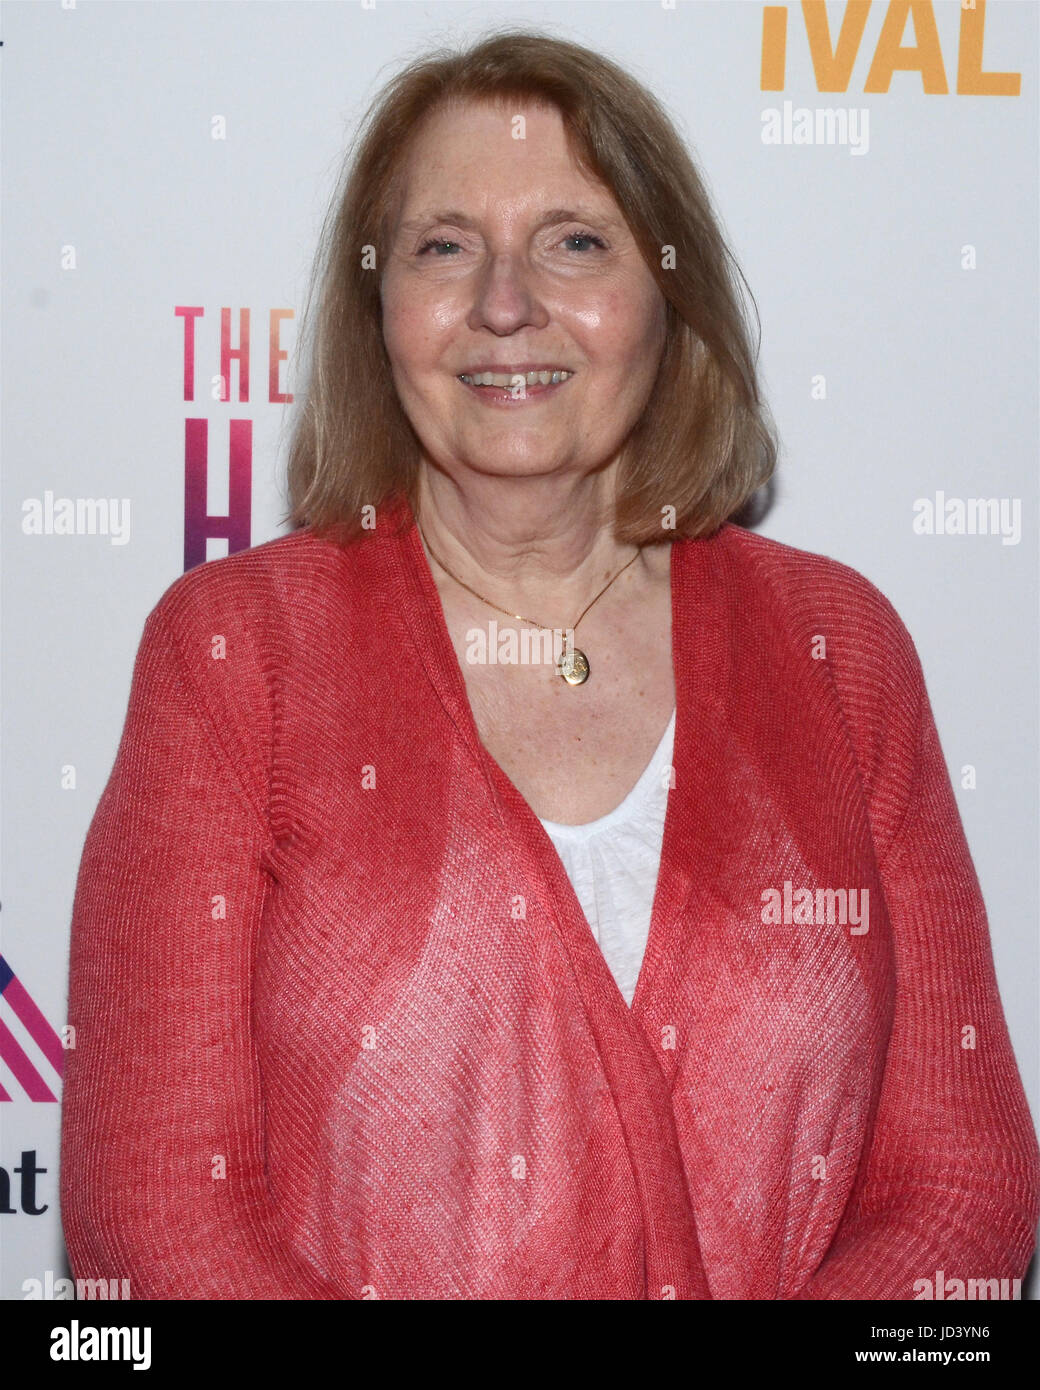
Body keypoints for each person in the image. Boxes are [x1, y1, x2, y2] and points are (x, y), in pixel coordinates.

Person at [60, 29, 1039, 1300]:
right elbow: (153, 1226)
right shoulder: (235, 658)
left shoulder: (834, 647)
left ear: (667, 296)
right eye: (443, 246)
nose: (505, 302)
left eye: (575, 241)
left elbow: (960, 1189)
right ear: (379, 312)